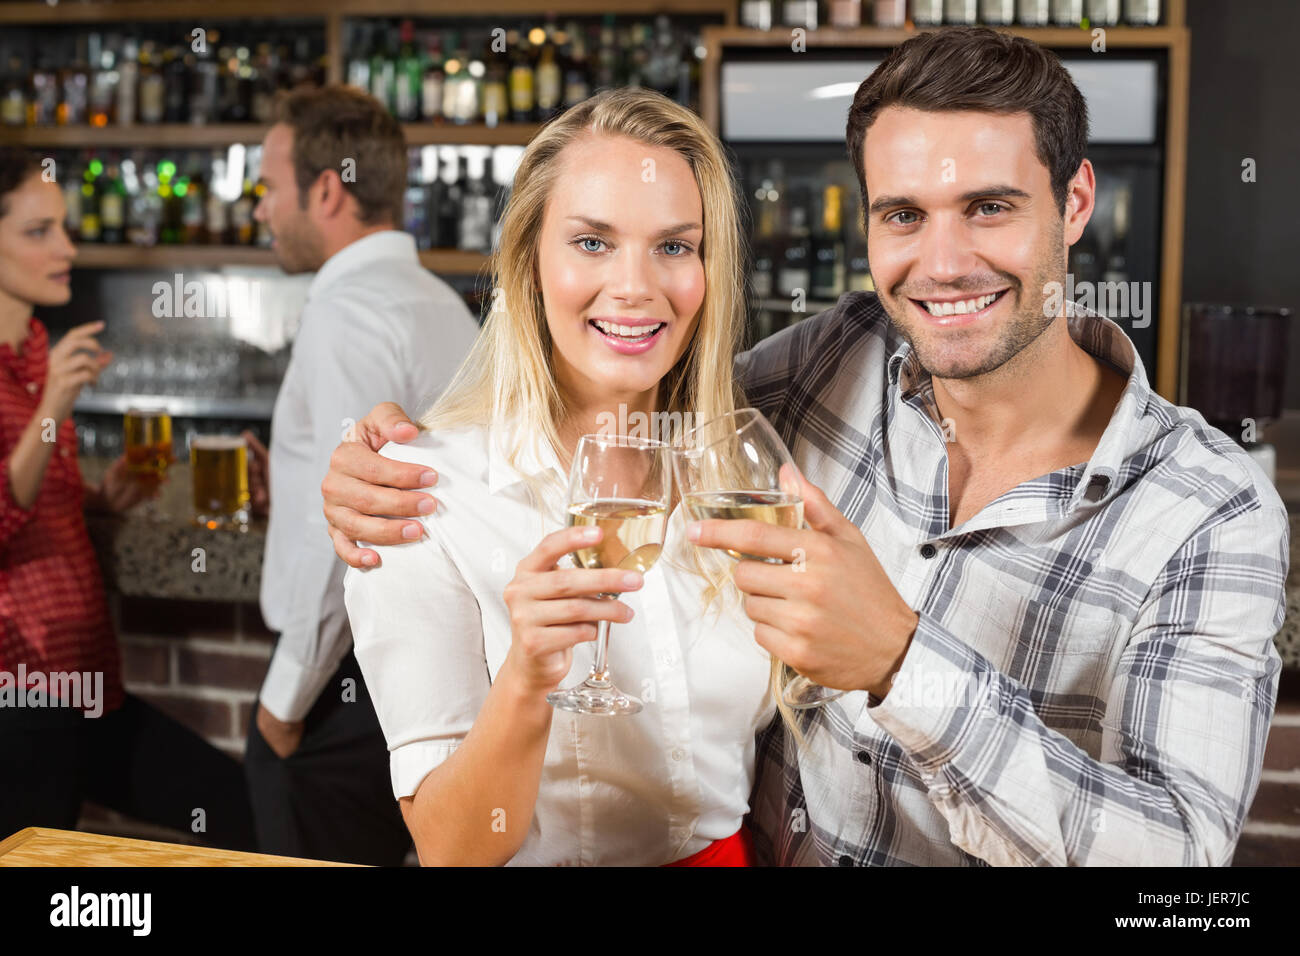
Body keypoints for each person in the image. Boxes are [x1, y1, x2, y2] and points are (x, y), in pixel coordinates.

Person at [320, 28, 1287, 866]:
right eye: (903, 215)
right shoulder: (823, 369)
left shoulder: (1208, 508)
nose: (943, 263)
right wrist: (379, 461)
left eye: (990, 207)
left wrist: (907, 666)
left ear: (1075, 203)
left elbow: (1180, 877)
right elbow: (629, 389)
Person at [340, 86, 779, 866]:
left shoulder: (744, 466)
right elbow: (451, 849)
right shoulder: (419, 496)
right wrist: (527, 679)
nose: (637, 286)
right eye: (592, 242)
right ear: (528, 262)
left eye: (675, 246)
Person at [242, 86, 479, 866]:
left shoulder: (345, 311)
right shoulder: (440, 303)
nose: (261, 211)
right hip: (418, 675)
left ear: (325, 189)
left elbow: (346, 535)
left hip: (341, 688)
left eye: (269, 190)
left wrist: (282, 706)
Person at [0, 147, 256, 851]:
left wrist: (99, 500)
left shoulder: (31, 353)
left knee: (237, 810)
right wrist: (56, 397)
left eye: (64, 227)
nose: (67, 247)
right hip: (20, 690)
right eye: (38, 231)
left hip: (81, 678)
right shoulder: (41, 372)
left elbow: (34, 494)